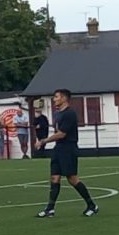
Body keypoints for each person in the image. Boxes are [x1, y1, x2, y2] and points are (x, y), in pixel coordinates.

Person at [38, 88, 100, 218]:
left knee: (72, 179)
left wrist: (43, 141)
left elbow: (62, 134)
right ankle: (50, 209)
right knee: (54, 177)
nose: (54, 99)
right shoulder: (58, 114)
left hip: (68, 149)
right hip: (58, 149)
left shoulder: (70, 113)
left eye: (56, 97)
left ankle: (92, 205)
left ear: (64, 98)